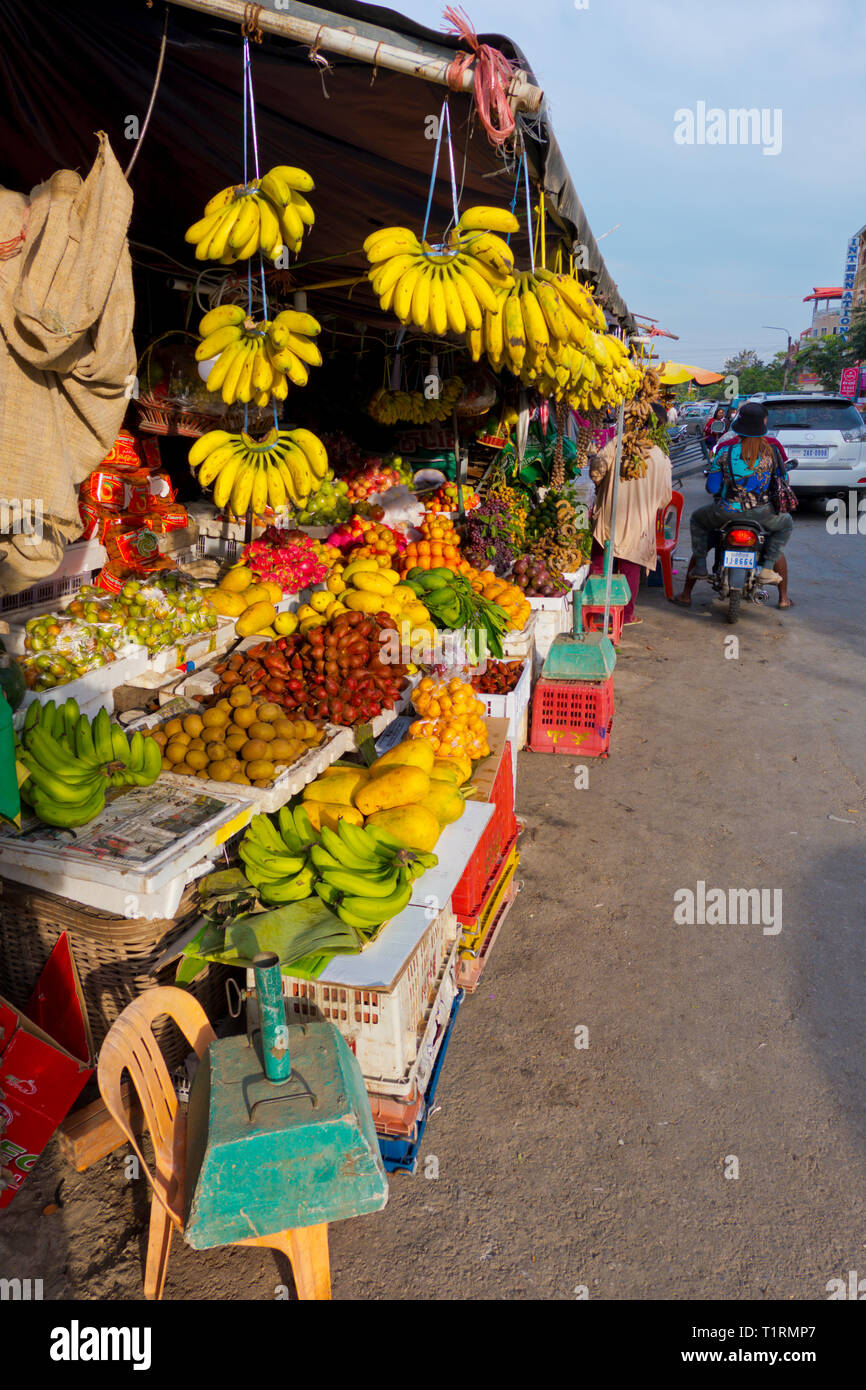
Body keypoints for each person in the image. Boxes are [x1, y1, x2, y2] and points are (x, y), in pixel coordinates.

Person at [673, 400, 794, 608]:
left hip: (726, 512)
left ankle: (699, 569)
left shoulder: (725, 451)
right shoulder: (773, 451)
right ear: (763, 424)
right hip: (763, 514)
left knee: (698, 519)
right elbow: (784, 480)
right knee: (786, 524)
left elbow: (712, 487)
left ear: (738, 424)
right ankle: (769, 573)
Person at [589, 399, 673, 627]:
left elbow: (596, 470)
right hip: (639, 525)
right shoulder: (662, 458)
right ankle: (625, 616)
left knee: (600, 564)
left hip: (609, 518)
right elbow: (665, 499)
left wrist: (601, 483)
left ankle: (593, 612)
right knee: (630, 568)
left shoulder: (617, 444)